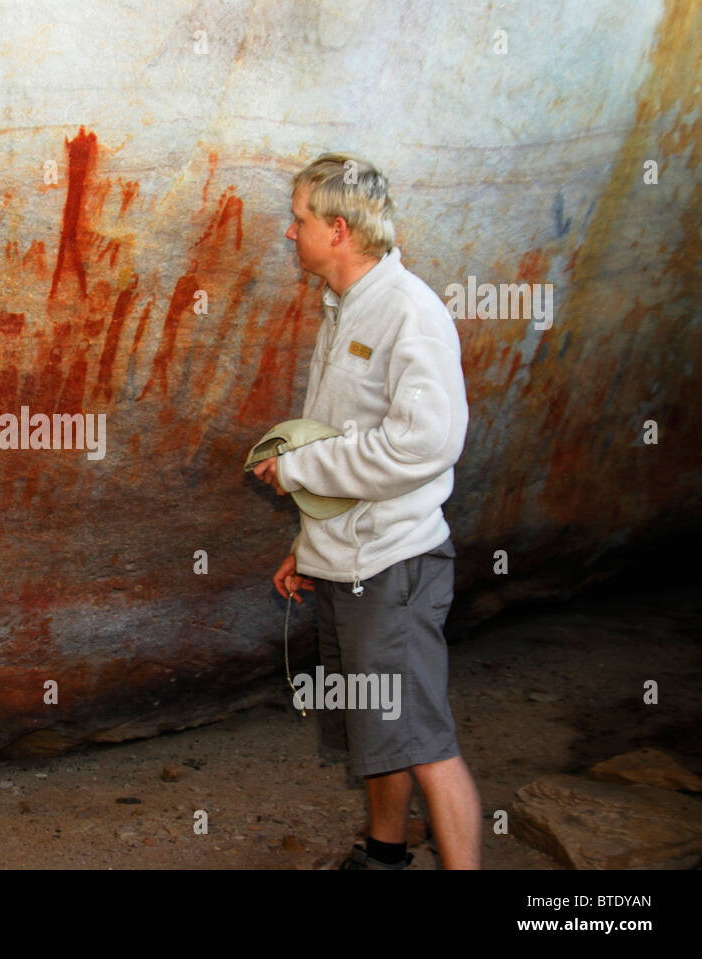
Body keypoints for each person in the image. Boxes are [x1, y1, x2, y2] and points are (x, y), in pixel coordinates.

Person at [253, 153, 480, 869]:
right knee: (378, 726)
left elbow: (426, 443)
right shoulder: (343, 307)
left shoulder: (410, 311)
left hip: (394, 564)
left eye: (300, 221)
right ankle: (384, 856)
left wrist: (297, 471)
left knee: (422, 738)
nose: (291, 234)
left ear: (339, 229)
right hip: (350, 558)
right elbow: (339, 432)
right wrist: (308, 543)